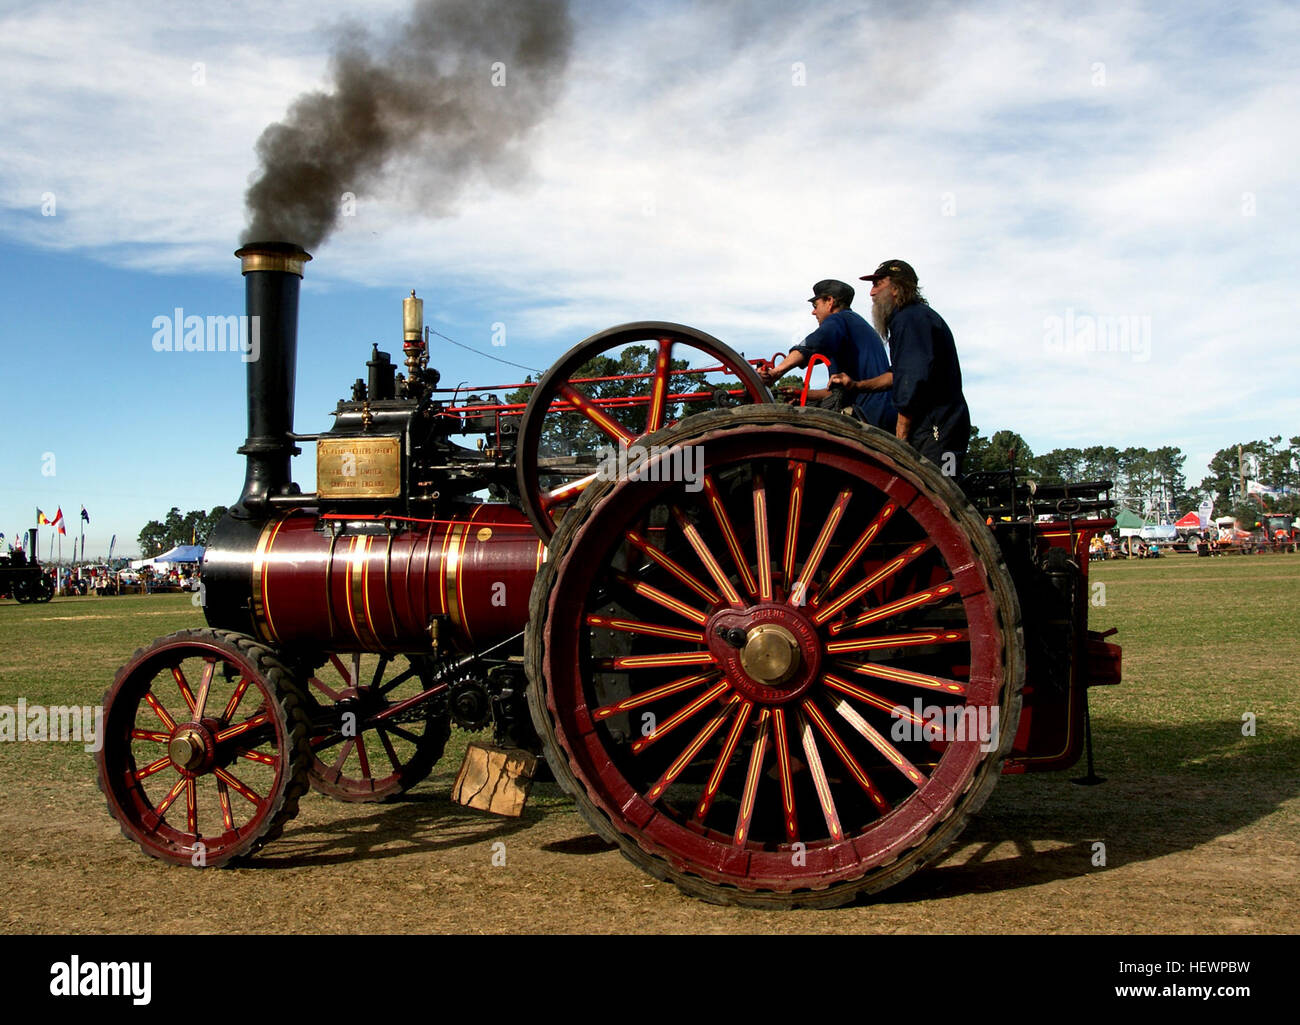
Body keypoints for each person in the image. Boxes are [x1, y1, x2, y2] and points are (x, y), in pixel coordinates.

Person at [839, 259, 970, 477]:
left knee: (940, 492)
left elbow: (912, 377)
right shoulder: (913, 317)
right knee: (940, 489)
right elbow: (898, 374)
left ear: (897, 288)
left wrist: (900, 434)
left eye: (878, 284)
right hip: (942, 425)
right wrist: (857, 385)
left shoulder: (910, 319)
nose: (871, 293)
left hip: (938, 428)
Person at [758, 279, 896, 431]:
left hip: (867, 414)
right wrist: (802, 394)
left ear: (830, 301)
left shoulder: (838, 320)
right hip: (882, 413)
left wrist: (776, 372)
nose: (813, 312)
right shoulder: (854, 326)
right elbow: (836, 393)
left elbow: (812, 344)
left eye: (815, 306)